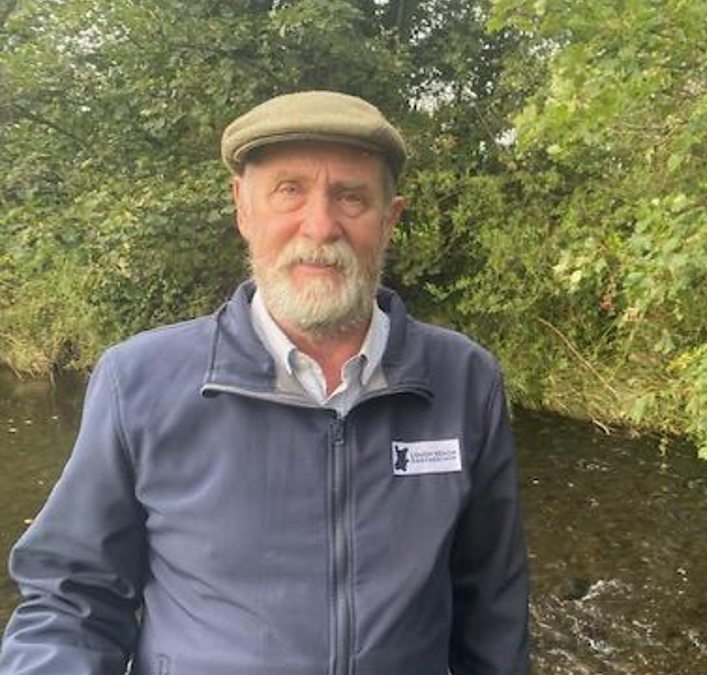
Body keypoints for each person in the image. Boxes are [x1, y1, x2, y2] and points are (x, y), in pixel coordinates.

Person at [0, 91, 530, 674]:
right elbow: (71, 599)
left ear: (389, 220)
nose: (320, 226)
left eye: (351, 197)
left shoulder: (464, 381)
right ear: (242, 209)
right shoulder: (139, 381)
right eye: (289, 191)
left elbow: (492, 606)